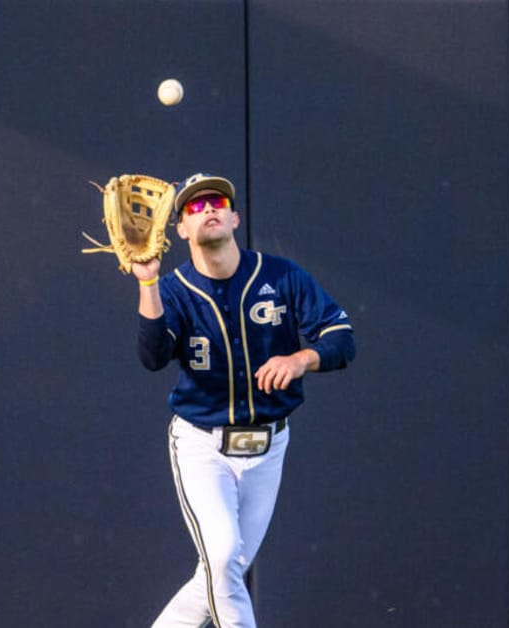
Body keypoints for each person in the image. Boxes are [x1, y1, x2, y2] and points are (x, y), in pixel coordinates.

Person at [132, 173, 355, 627]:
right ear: (179, 230)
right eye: (193, 207)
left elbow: (342, 338)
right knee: (222, 554)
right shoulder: (172, 290)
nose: (207, 209)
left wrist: (301, 358)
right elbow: (153, 357)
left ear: (234, 215)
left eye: (217, 201)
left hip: (268, 446)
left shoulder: (281, 276)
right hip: (202, 446)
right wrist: (148, 283)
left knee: (221, 569)